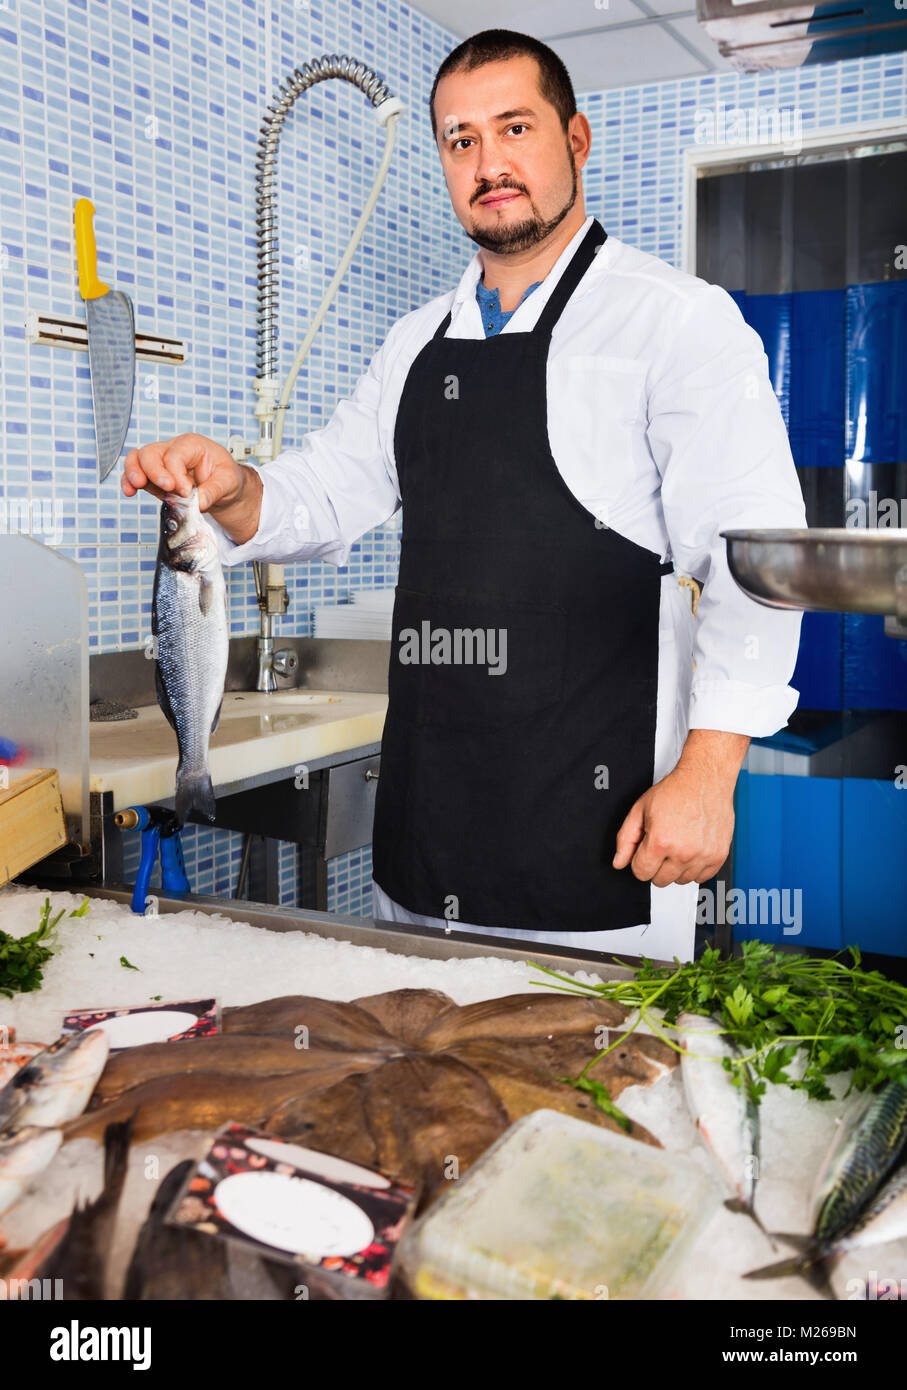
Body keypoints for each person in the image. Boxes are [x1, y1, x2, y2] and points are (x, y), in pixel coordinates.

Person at [122, 29, 806, 962]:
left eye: (513, 127)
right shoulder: (413, 344)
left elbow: (753, 561)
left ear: (576, 140)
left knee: (593, 1100)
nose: (488, 163)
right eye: (459, 140)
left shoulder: (675, 322)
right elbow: (321, 497)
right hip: (428, 829)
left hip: (599, 836)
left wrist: (707, 773)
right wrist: (235, 486)